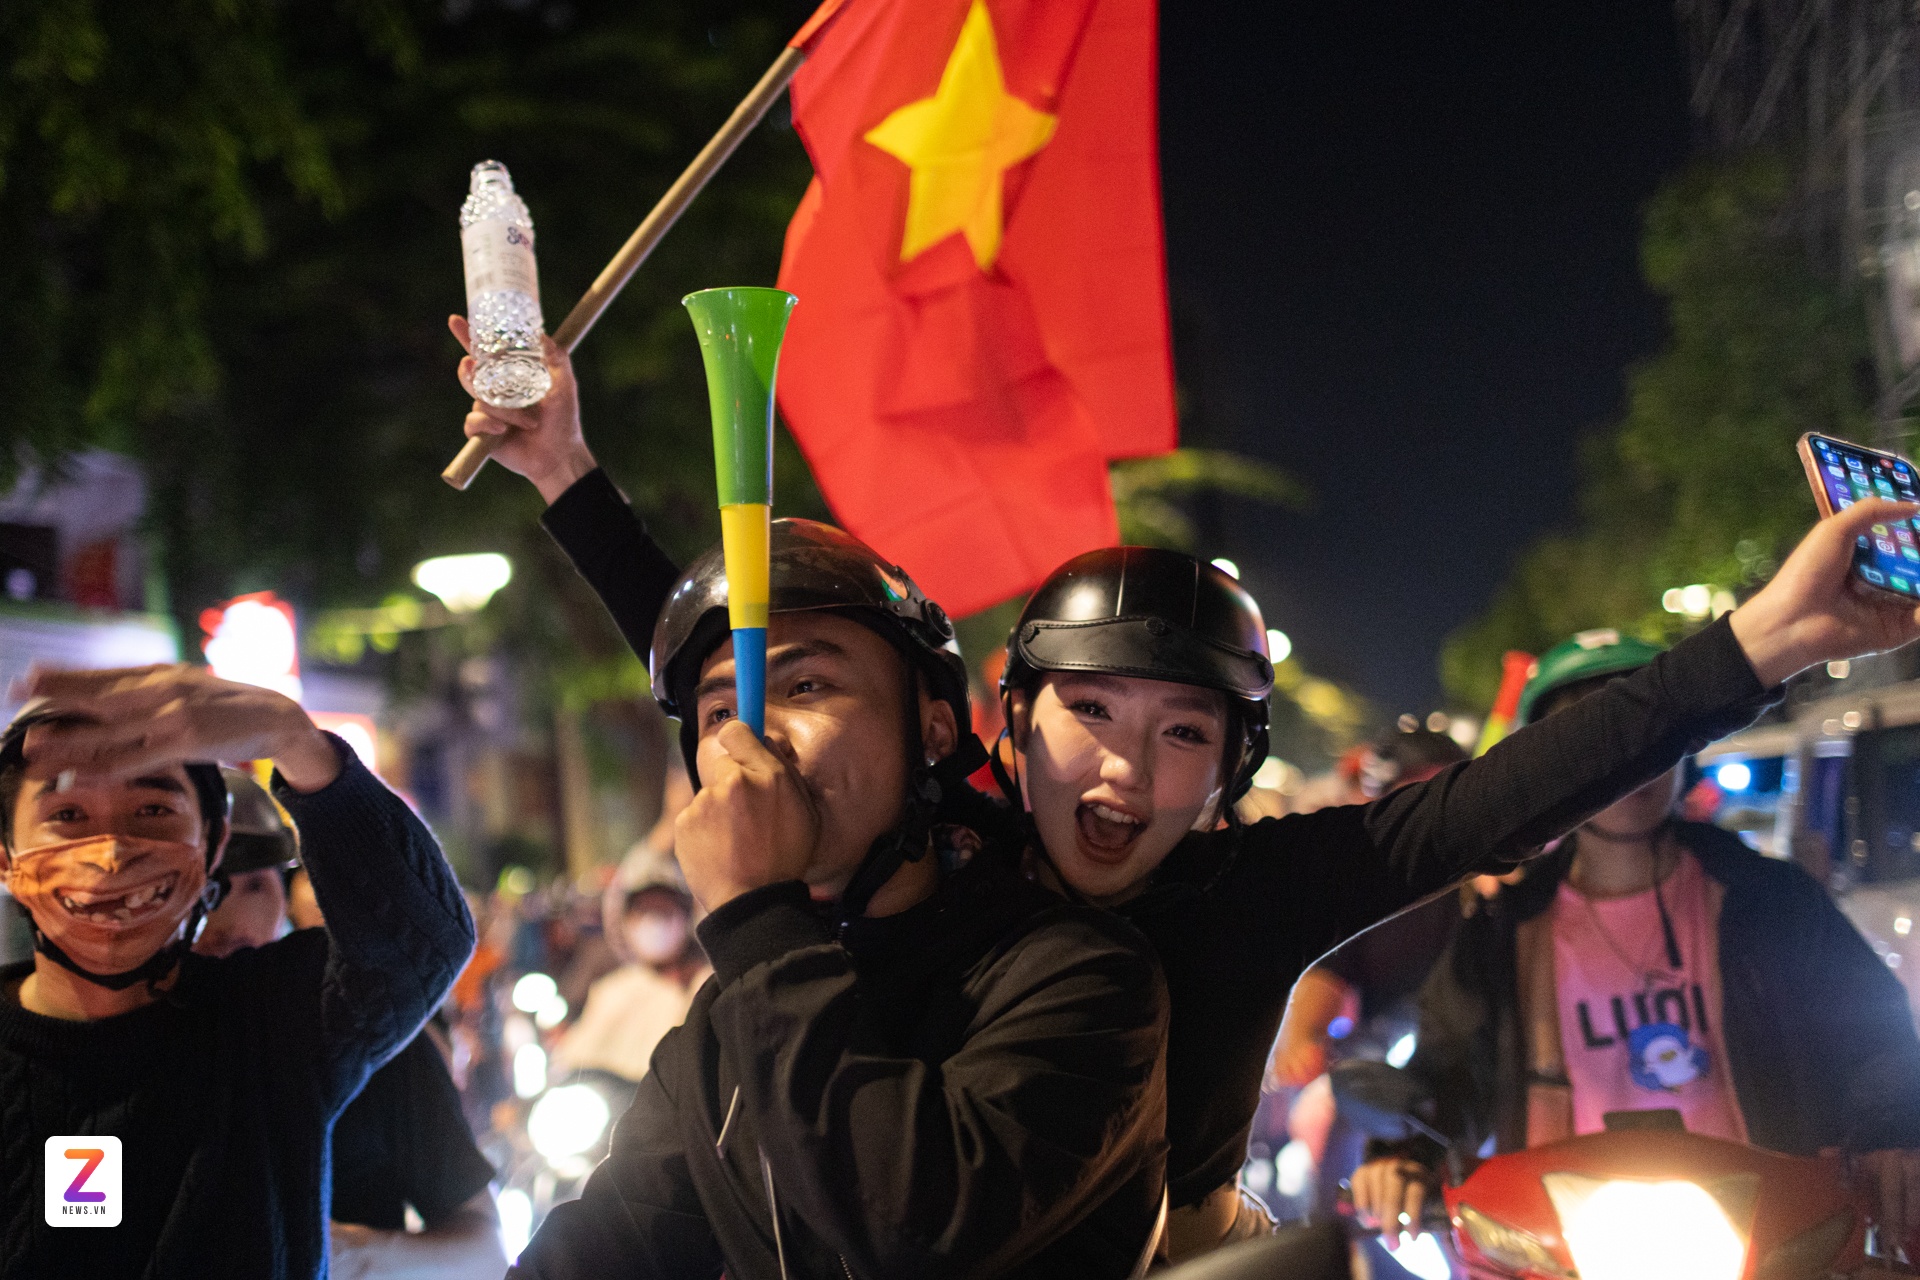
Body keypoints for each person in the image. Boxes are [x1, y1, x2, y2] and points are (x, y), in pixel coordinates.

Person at [456, 315, 1920, 1265]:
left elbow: (1499, 797)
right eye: (1088, 714)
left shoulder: (1250, 889)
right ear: (1001, 729)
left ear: (1230, 772)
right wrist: (568, 476)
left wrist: (1763, 644)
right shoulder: (943, 832)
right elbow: (776, 687)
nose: (1122, 768)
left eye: (1182, 736)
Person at [504, 518, 1171, 1279]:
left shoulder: (1081, 974)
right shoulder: (726, 1023)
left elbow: (911, 1232)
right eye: (720, 713)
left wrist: (755, 918)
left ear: (933, 730)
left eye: (808, 686)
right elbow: (608, 1245)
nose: (753, 742)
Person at [1348, 629, 1920, 1254]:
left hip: (1769, 1240)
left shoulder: (1771, 899)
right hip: (1562, 1251)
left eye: (1656, 733)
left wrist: (1892, 1132)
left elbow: (1875, 1038)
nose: (1631, 761)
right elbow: (1447, 1074)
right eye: (1597, 740)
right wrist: (1405, 1151)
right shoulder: (1501, 929)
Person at [0, 664, 474, 1278]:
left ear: (213, 843)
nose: (112, 851)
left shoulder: (281, 1021)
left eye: (151, 810)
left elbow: (424, 939)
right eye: (67, 816)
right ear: (7, 857)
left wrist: (293, 740)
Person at [190, 770, 505, 1280]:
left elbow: (485, 1250)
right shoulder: (121, 1035)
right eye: (206, 889)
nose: (227, 918)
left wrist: (350, 1253)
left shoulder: (370, 1027)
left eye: (252, 885)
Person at [549, 843, 708, 1085]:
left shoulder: (706, 987)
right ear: (624, 920)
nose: (654, 921)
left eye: (664, 910)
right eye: (644, 910)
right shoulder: (611, 990)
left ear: (686, 918)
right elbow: (572, 1060)